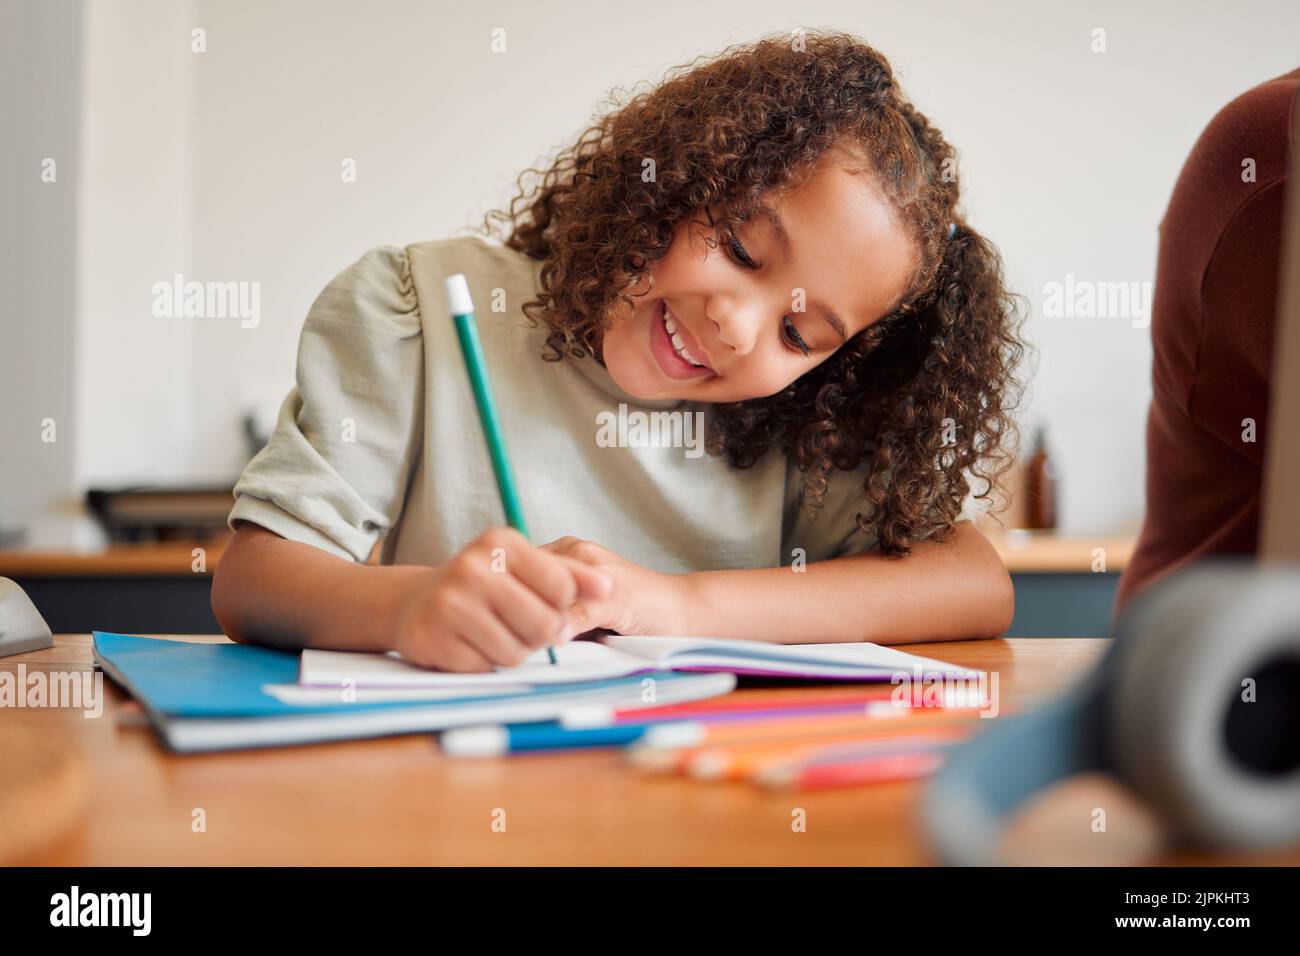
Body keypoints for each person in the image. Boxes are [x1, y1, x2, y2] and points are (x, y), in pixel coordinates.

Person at [211, 31, 1026, 672]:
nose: (738, 328)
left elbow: (973, 582)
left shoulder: (795, 428)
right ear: (680, 178)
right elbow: (252, 580)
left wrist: (678, 607)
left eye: (797, 335)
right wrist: (405, 608)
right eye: (741, 249)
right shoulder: (421, 310)